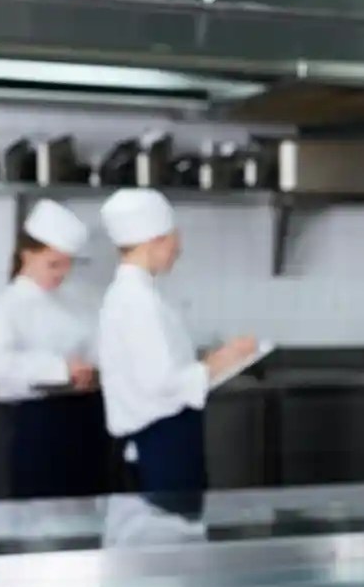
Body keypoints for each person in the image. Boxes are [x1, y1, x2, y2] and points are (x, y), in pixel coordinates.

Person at [96, 188, 256, 508]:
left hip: (162, 440)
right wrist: (224, 360)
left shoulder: (136, 295)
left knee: (167, 540)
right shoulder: (137, 301)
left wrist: (209, 363)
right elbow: (162, 382)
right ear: (154, 240)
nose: (178, 248)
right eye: (173, 238)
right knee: (167, 541)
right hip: (160, 443)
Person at [0, 199, 111, 499]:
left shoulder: (77, 300)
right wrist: (60, 370)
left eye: (67, 264)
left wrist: (95, 368)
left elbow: (98, 344)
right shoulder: (6, 307)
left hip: (88, 418)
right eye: (54, 264)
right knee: (42, 519)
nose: (62, 273)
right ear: (27, 255)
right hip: (41, 425)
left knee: (92, 515)